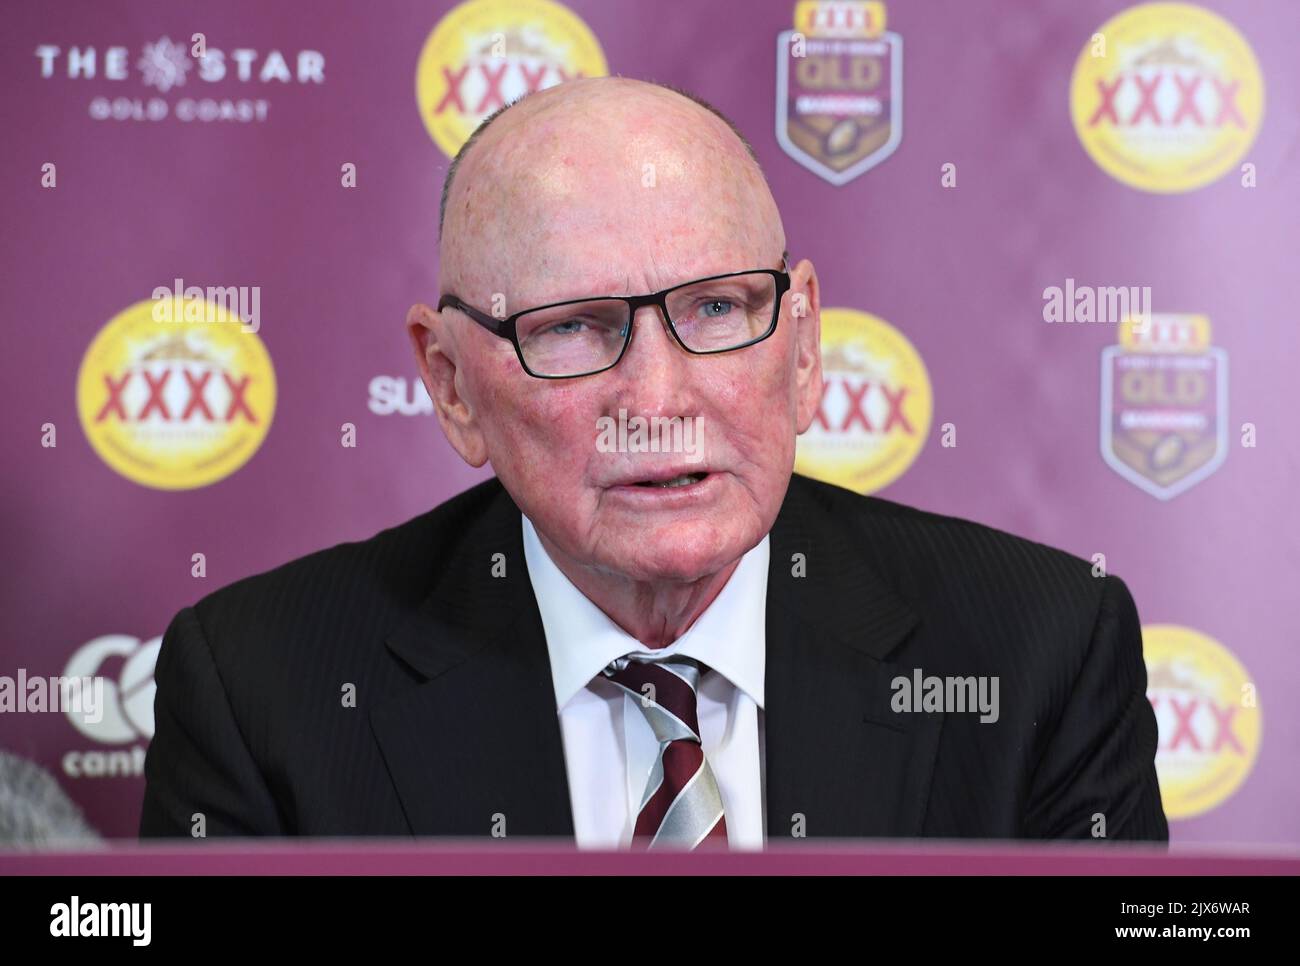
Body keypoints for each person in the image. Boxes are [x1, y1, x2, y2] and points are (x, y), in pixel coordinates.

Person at [140, 77, 1167, 847]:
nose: (658, 400)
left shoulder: (1038, 650)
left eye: (717, 308)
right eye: (575, 328)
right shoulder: (265, 689)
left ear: (803, 349)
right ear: (453, 387)